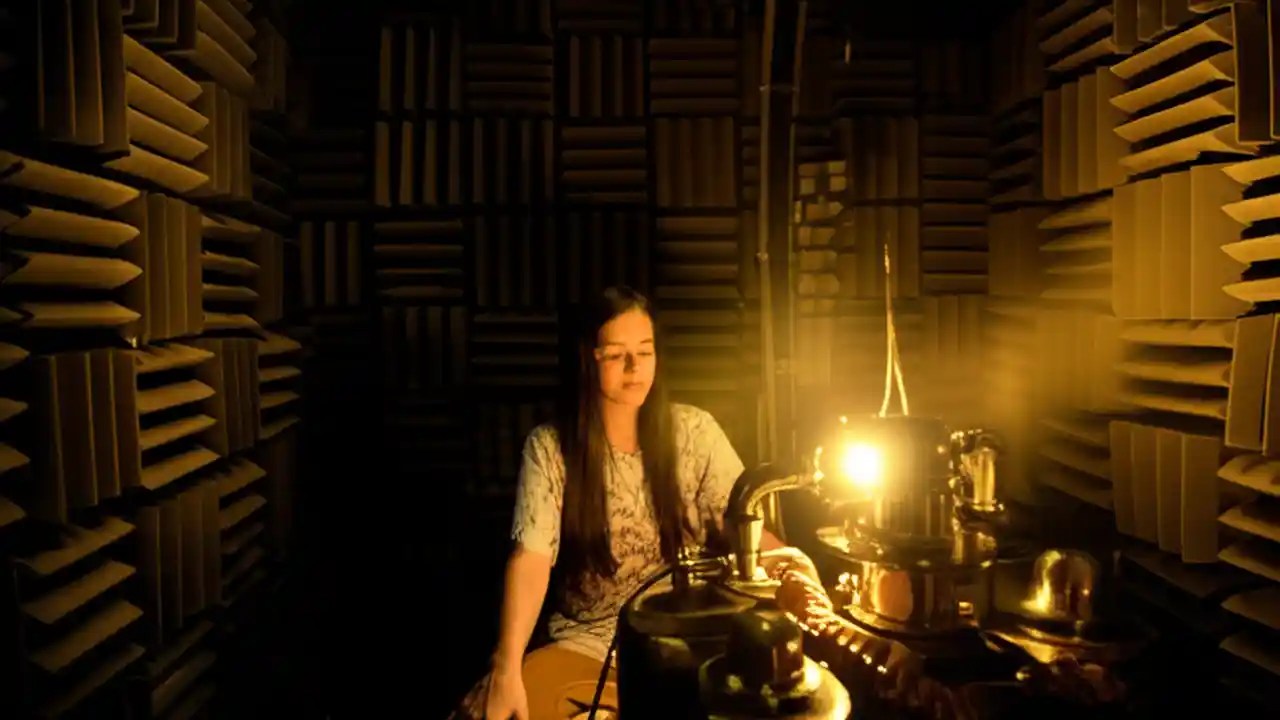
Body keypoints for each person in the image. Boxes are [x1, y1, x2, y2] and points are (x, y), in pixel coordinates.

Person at [453, 286, 829, 720]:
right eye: (616, 355)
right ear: (586, 359)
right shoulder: (550, 448)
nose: (635, 368)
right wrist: (506, 666)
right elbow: (531, 558)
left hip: (687, 638)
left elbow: (746, 528)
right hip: (589, 642)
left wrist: (792, 574)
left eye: (645, 352)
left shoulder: (695, 432)